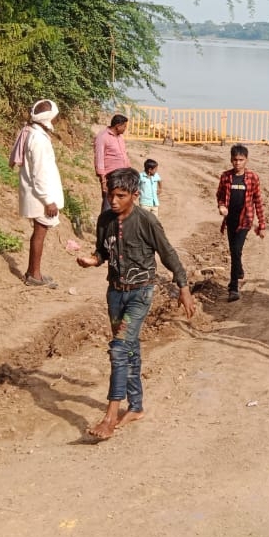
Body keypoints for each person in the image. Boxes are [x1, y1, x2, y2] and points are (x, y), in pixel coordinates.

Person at [76, 166, 196, 440]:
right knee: (128, 348)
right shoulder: (105, 219)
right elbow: (102, 252)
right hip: (115, 293)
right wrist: (91, 260)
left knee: (118, 349)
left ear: (135, 194)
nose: (114, 201)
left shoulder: (146, 221)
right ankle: (136, 406)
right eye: (110, 195)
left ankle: (110, 417)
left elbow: (168, 253)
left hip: (140, 294)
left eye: (120, 195)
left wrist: (183, 287)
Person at [14, 99, 64, 289]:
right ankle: (34, 275)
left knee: (39, 232)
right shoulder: (38, 139)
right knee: (39, 233)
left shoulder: (35, 134)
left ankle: (33, 272)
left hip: (38, 193)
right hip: (40, 196)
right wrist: (48, 201)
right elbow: (40, 174)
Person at [216, 144, 266, 302]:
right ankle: (238, 269)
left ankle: (233, 288)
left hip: (245, 220)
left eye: (241, 160)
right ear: (231, 160)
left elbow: (258, 201)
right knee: (234, 251)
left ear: (246, 160)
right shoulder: (226, 177)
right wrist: (221, 206)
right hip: (230, 220)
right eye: (235, 160)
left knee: (236, 250)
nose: (237, 163)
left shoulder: (252, 178)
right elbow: (220, 195)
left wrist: (262, 225)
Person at [94, 114, 130, 212]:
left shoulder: (120, 138)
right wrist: (103, 181)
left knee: (120, 205)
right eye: (124, 126)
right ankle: (104, 227)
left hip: (123, 177)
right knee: (108, 205)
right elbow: (99, 158)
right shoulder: (103, 137)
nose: (125, 129)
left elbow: (124, 156)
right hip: (110, 178)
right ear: (118, 126)